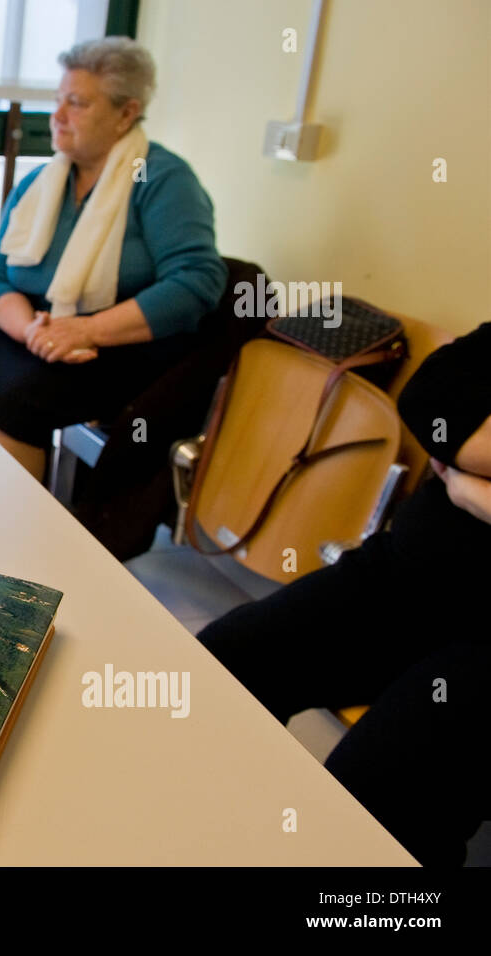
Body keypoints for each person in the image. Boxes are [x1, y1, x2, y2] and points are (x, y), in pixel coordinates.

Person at [198, 322, 491, 866]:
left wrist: (471, 485)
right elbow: (433, 394)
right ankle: (216, 838)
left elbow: (455, 425)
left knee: (373, 805)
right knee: (224, 662)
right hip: (413, 573)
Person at [0, 37, 226, 479]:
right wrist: (29, 329)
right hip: (39, 329)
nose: (58, 116)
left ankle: (18, 530)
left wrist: (84, 329)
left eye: (78, 103)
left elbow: (198, 281)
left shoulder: (162, 178)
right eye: (59, 100)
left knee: (12, 411)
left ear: (126, 113)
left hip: (122, 343)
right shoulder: (41, 183)